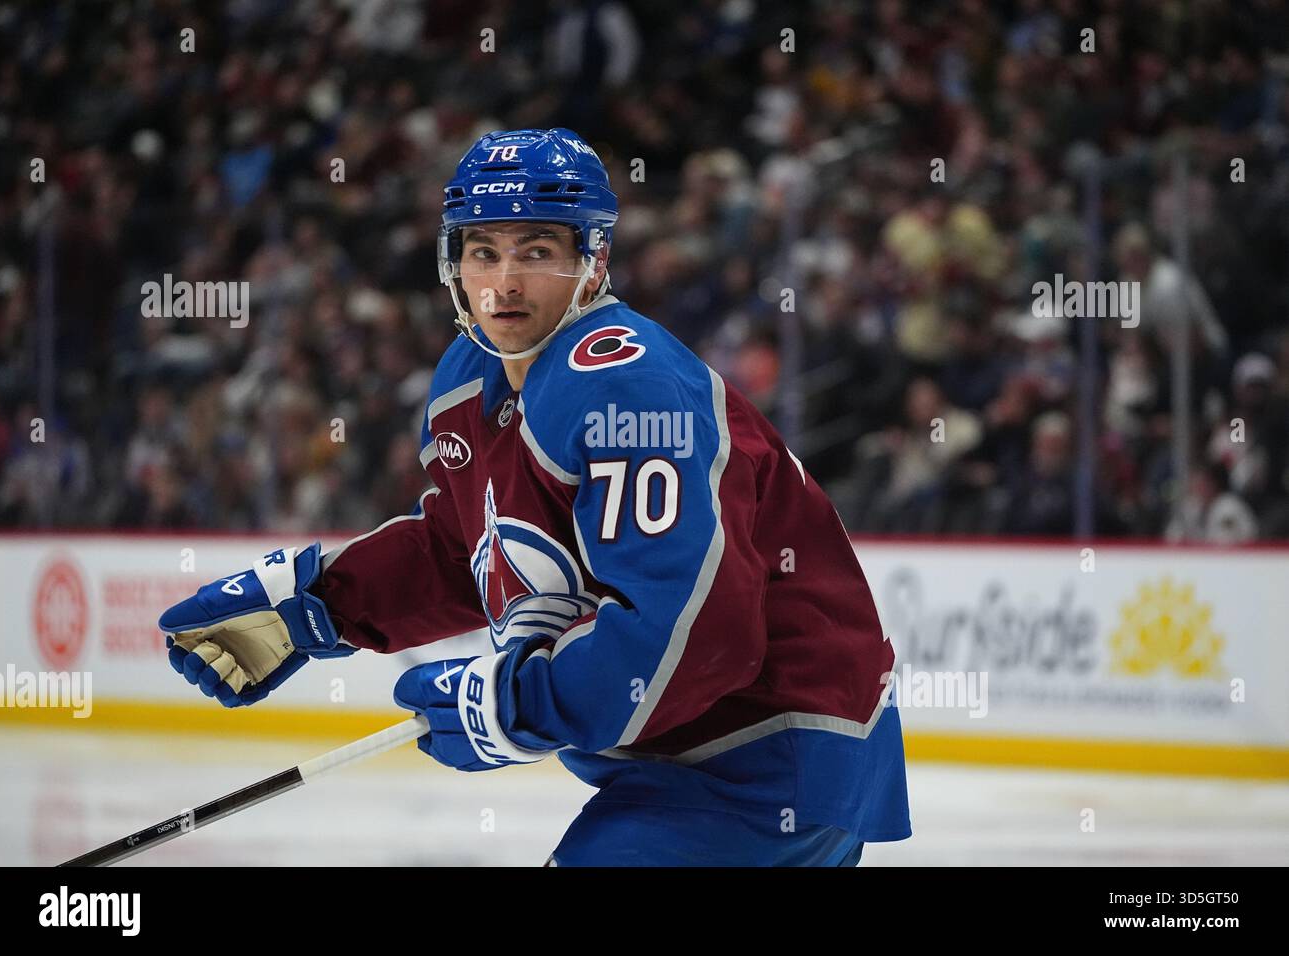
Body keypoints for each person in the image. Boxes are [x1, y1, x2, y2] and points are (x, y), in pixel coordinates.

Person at [159, 128, 911, 866]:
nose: (505, 282)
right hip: (677, 768)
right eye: (483, 251)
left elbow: (696, 630)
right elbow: (468, 553)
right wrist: (318, 604)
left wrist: (514, 707)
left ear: (594, 261)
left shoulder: (624, 379)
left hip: (766, 763)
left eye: (537, 252)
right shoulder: (467, 380)